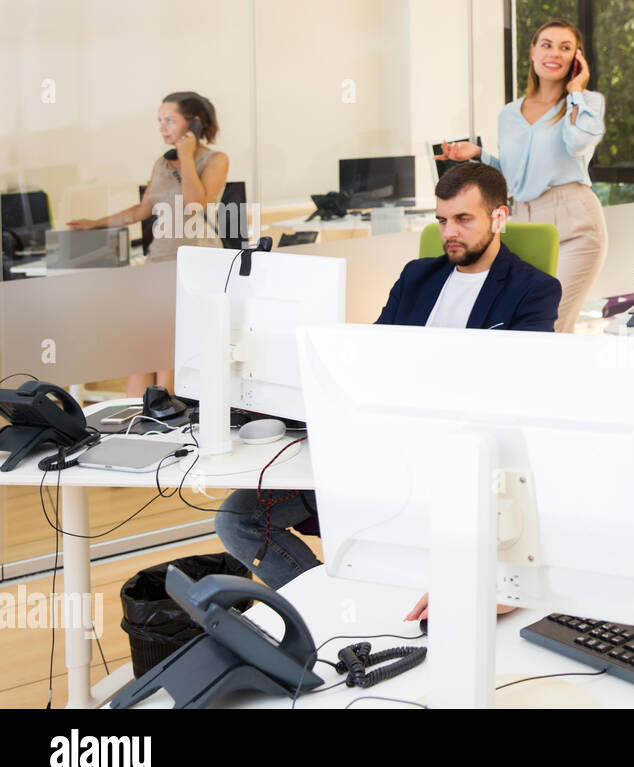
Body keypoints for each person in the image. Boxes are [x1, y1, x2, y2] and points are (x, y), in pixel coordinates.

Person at [215, 162, 561, 591]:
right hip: (380, 445)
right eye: (442, 220)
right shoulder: (418, 277)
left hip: (453, 458)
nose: (449, 232)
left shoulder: (533, 289)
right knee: (238, 518)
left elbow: (518, 386)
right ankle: (326, 601)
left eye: (463, 219)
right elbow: (370, 357)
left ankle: (351, 598)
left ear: (499, 218)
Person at [438, 17, 607, 334]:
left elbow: (579, 142)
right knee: (523, 328)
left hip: (576, 225)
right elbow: (511, 179)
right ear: (532, 51)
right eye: (546, 45)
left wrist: (575, 91)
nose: (554, 53)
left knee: (553, 325)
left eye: (565, 47)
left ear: (577, 58)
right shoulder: (509, 113)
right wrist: (478, 157)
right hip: (525, 221)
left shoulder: (587, 103)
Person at [69, 91, 229, 397]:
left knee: (167, 352)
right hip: (158, 263)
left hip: (194, 265)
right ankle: (130, 426)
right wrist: (95, 222)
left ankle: (164, 424)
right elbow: (143, 210)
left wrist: (185, 156)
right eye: (160, 121)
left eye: (170, 120)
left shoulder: (215, 159)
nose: (163, 127)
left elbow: (195, 202)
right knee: (141, 353)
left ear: (194, 124)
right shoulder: (161, 164)